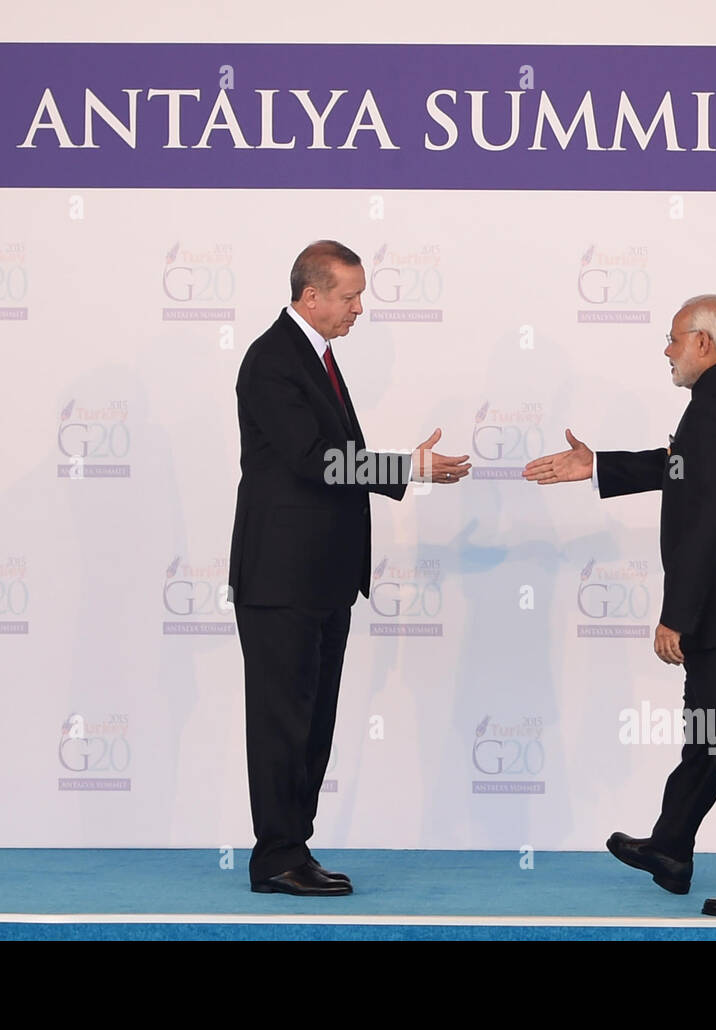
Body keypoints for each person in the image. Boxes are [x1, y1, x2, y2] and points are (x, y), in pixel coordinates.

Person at [523, 294, 716, 917]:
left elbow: (706, 519)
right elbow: (686, 469)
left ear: (705, 342)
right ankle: (672, 845)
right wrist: (598, 465)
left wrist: (676, 614)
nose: (668, 350)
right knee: (712, 730)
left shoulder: (713, 407)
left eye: (675, 339)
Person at [228, 239, 470, 896]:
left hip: (322, 578)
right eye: (349, 296)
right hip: (281, 579)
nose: (359, 308)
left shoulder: (316, 358)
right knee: (283, 722)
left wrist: (404, 470)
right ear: (311, 296)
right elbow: (318, 461)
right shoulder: (273, 361)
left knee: (311, 720)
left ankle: (293, 849)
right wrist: (409, 469)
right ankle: (276, 856)